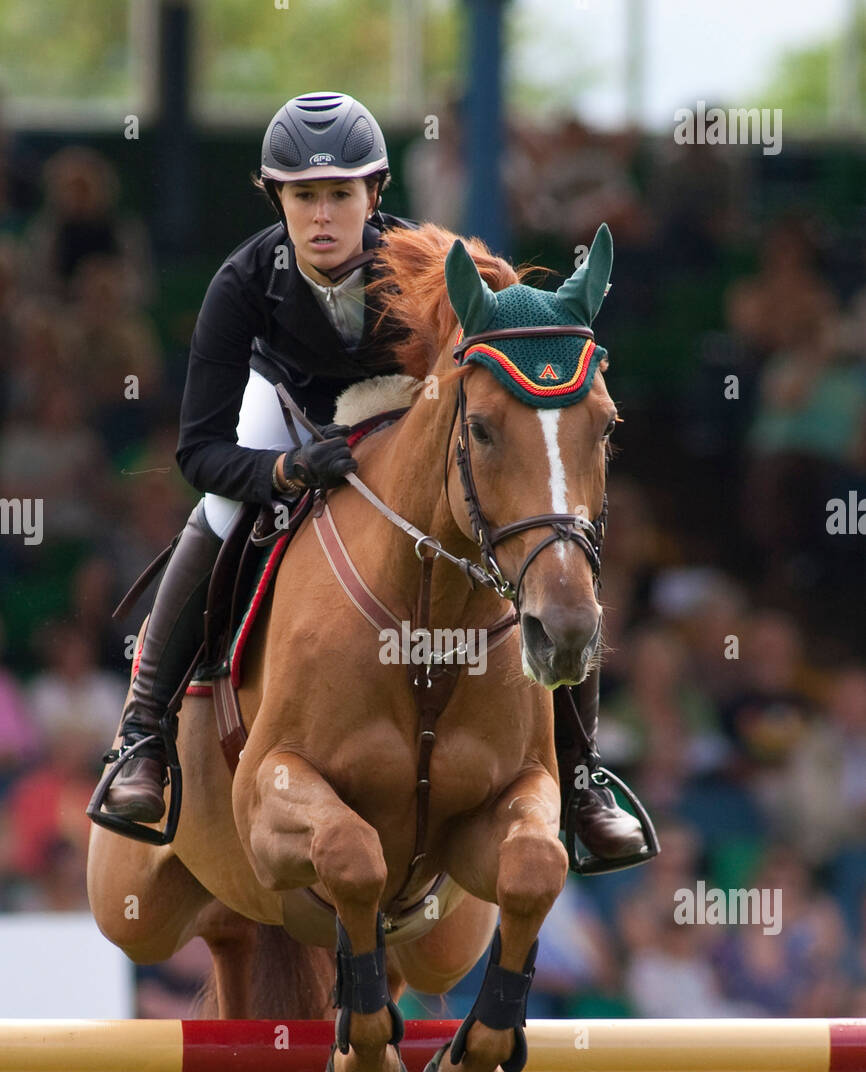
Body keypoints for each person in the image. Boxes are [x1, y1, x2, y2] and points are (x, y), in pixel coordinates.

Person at [94, 90, 645, 867]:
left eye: (340, 195)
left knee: (552, 552)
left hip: (400, 428)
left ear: (373, 195)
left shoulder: (427, 263)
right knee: (218, 511)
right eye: (304, 196)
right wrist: (284, 469)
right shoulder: (243, 281)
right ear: (276, 198)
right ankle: (143, 740)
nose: (323, 217)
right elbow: (199, 452)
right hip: (283, 417)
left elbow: (515, 335)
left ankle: (582, 780)